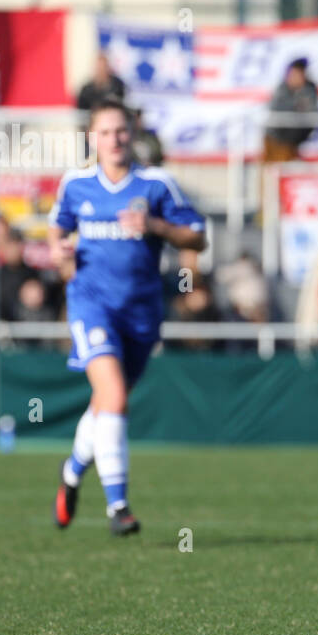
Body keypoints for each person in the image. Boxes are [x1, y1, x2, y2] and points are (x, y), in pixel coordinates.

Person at [48, 100, 207, 535]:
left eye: (121, 131)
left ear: (132, 133)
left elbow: (199, 237)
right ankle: (118, 506)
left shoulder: (156, 184)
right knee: (114, 396)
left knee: (106, 404)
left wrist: (155, 227)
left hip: (141, 313)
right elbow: (57, 231)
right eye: (105, 133)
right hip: (91, 304)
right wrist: (60, 253)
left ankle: (71, 472)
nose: (114, 140)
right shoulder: (76, 185)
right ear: (91, 138)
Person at [264, 58, 318, 162]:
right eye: (294, 74)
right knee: (276, 164)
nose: (297, 77)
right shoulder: (282, 89)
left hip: (298, 136)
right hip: (278, 137)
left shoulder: (309, 89)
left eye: (299, 74)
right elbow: (277, 112)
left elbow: (312, 112)